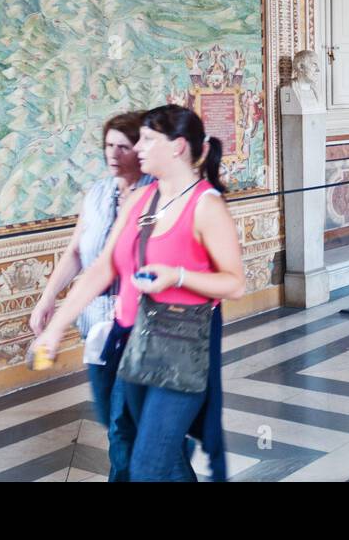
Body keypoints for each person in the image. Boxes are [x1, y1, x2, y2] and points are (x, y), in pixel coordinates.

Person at [32, 105, 245, 481]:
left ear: (178, 146)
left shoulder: (206, 205)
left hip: (179, 349)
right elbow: (101, 268)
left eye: (148, 139)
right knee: (143, 450)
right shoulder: (140, 202)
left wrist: (176, 276)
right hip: (133, 344)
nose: (138, 148)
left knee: (148, 465)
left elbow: (234, 283)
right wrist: (55, 327)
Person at [28, 112, 155, 427]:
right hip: (97, 325)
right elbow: (77, 252)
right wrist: (48, 299)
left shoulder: (158, 195)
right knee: (113, 420)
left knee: (130, 424)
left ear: (141, 149)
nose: (113, 153)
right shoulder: (97, 194)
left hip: (145, 326)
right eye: (109, 145)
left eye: (123, 146)